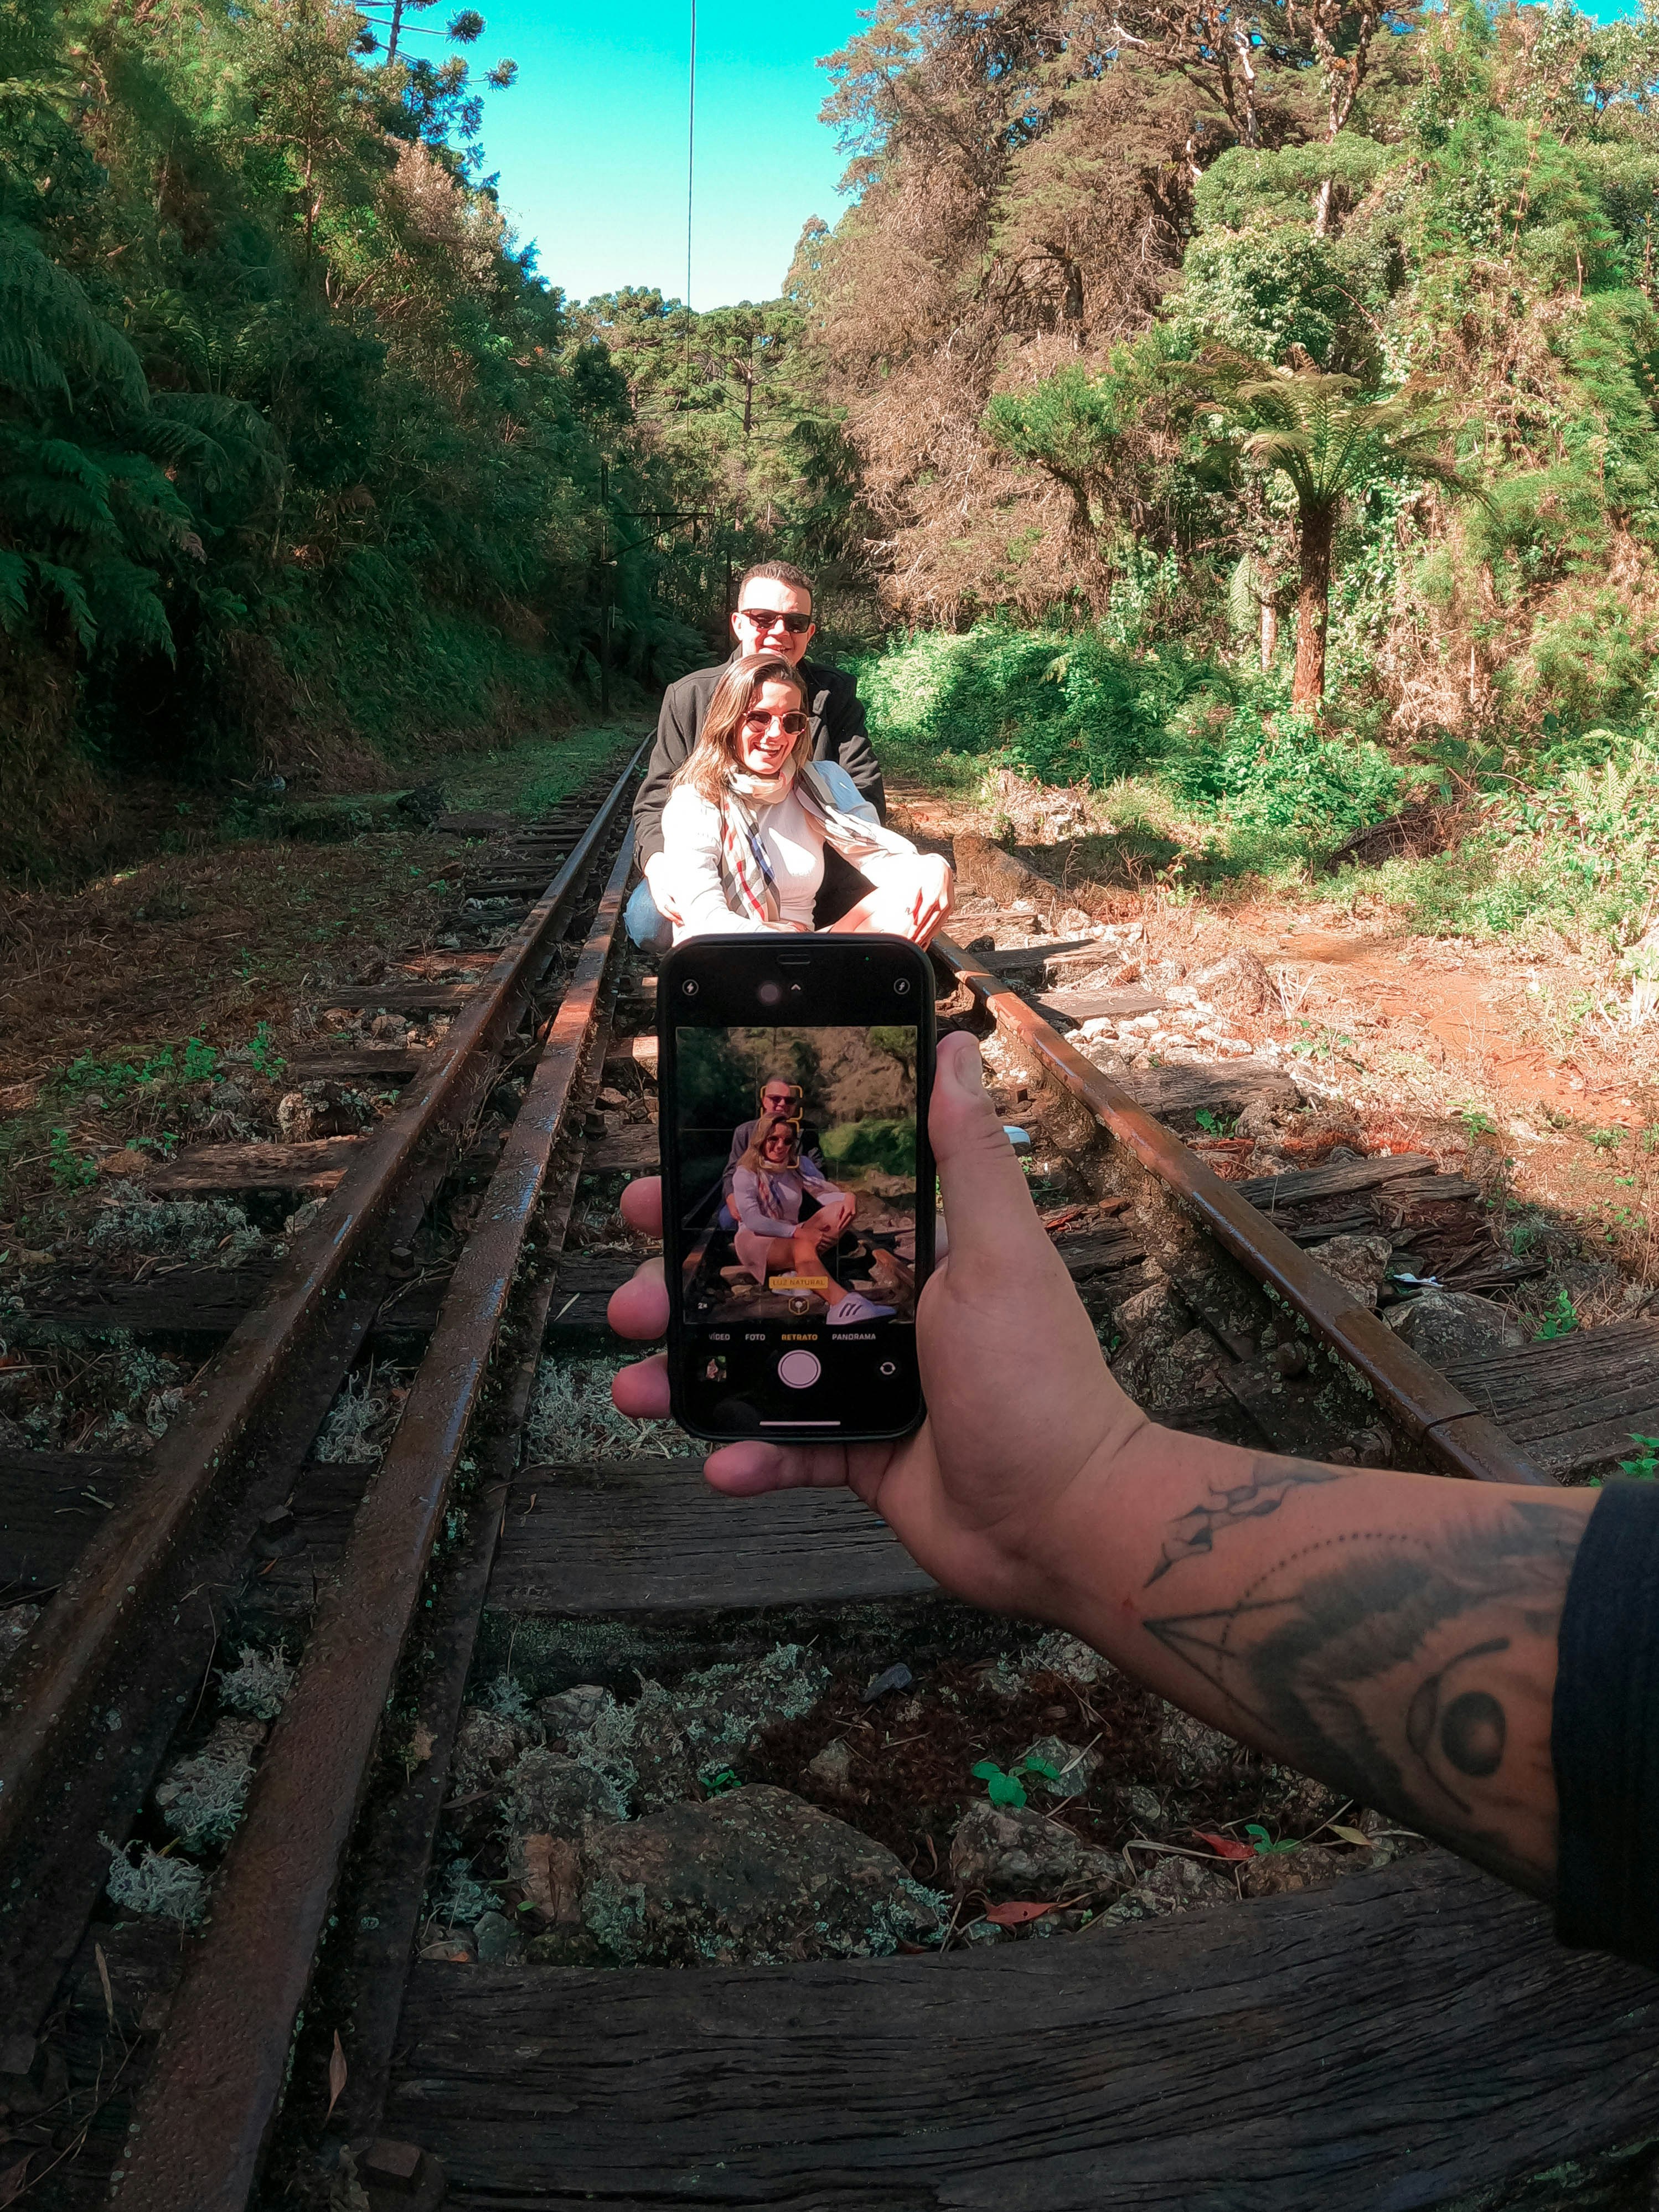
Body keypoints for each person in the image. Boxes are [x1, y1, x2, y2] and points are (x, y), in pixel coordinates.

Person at [608, 1030, 1658, 1971]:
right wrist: (1071, 1494)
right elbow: (751, 1208)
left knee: (859, 1246)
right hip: (774, 1251)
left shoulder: (799, 1151)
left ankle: (841, 1299)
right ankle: (830, 1299)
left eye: (797, 1102)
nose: (789, 1114)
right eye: (780, 1103)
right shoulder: (754, 1153)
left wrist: (1070, 1495)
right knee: (806, 1255)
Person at [627, 560, 888, 952]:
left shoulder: (834, 696)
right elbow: (656, 799)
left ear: (809, 632)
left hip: (814, 863)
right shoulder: (691, 695)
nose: (780, 633)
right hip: (711, 865)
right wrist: (660, 864)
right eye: (763, 619)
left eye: (795, 623)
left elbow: (864, 789)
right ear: (738, 624)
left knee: (901, 899)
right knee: (651, 918)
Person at [655, 653, 954, 947]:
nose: (776, 734)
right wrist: (774, 938)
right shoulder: (697, 798)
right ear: (729, 720)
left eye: (791, 721)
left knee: (919, 888)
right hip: (726, 957)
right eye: (759, 718)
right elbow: (703, 918)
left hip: (807, 956)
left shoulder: (820, 783)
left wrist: (934, 866)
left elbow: (881, 856)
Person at [727, 1112, 891, 1326]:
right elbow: (753, 1221)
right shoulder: (746, 1173)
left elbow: (822, 1193)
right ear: (761, 1139)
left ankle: (797, 1274)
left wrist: (848, 1198)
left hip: (791, 1232)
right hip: (755, 1239)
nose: (780, 1146)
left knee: (838, 1210)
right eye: (773, 1139)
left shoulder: (797, 1166)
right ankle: (840, 1304)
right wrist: (798, 1233)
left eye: (787, 1141)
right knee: (801, 1245)